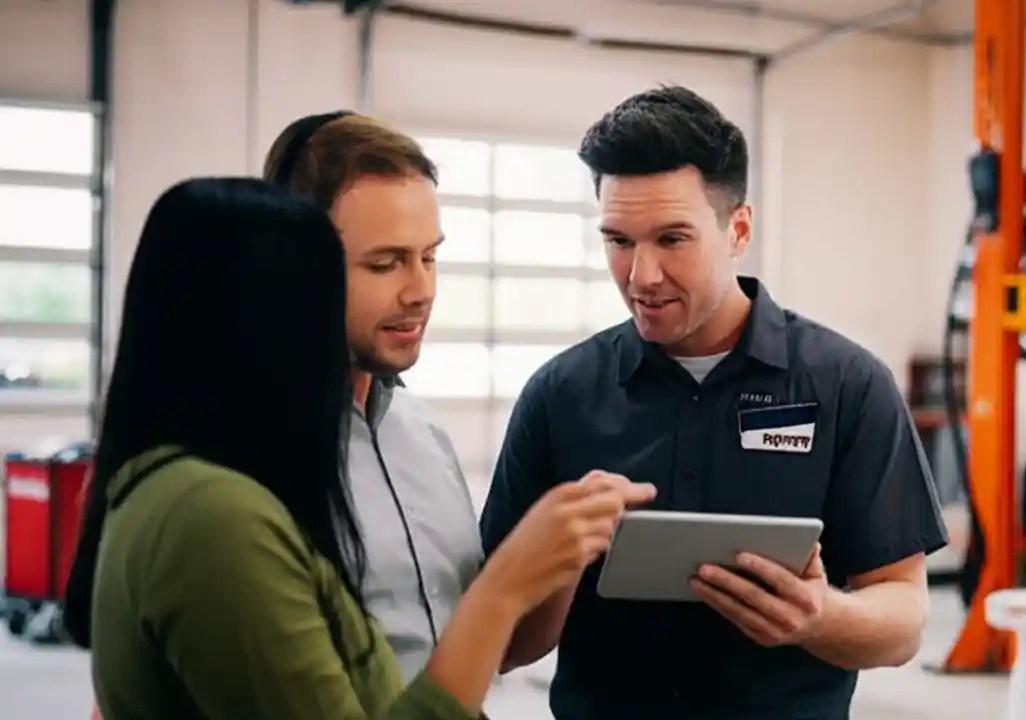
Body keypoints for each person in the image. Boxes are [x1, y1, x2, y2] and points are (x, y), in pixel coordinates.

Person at [72, 176, 656, 719]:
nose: (418, 293)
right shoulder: (209, 515)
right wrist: (504, 587)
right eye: (369, 271)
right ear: (257, 322)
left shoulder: (243, 487)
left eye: (430, 258)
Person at [479, 85, 950, 719]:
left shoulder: (846, 386)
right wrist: (559, 560)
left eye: (672, 239)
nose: (641, 275)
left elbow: (903, 620)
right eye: (619, 240)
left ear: (739, 230)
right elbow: (504, 649)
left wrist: (818, 616)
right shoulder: (559, 397)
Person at [258, 110, 484, 679]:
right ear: (299, 264)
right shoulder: (249, 455)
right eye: (386, 264)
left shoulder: (423, 433)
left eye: (430, 257)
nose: (422, 291)